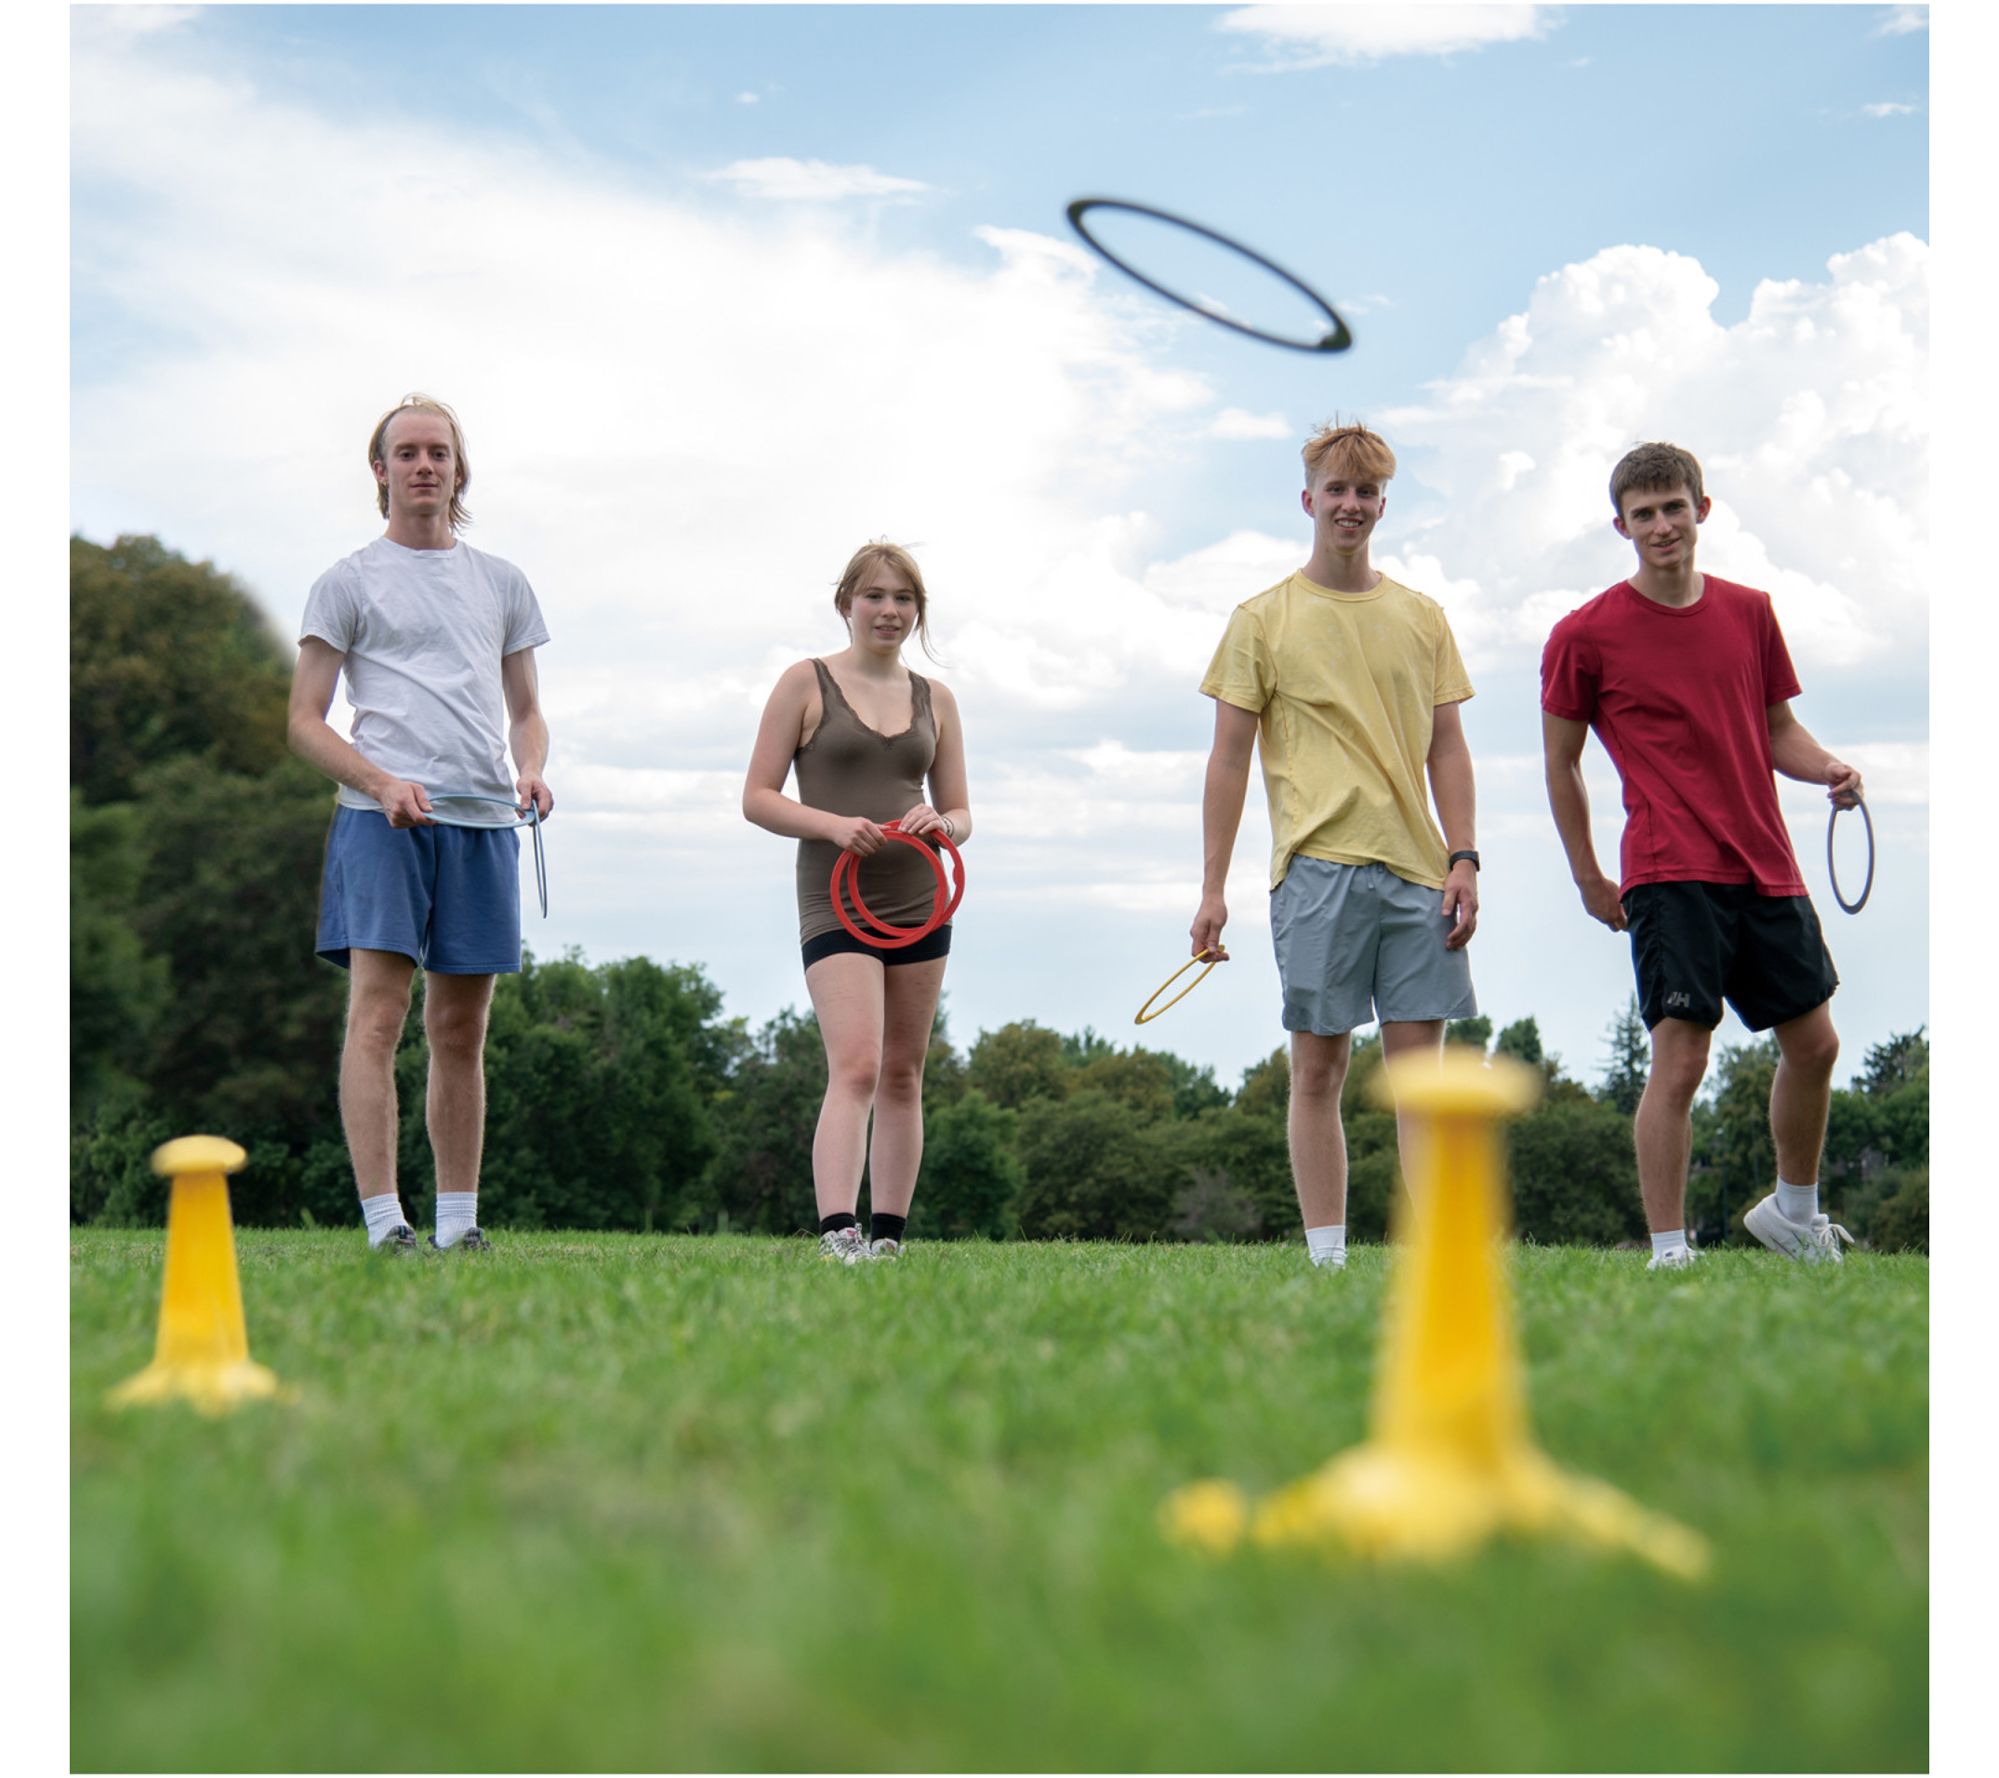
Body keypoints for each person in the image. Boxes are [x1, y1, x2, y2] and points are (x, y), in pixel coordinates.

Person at [1540, 441, 1861, 1270]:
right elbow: (1560, 761)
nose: (1660, 525)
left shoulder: (1749, 611)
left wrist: (1825, 767)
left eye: (1673, 507)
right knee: (1681, 1059)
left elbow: (1776, 730)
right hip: (1666, 867)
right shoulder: (1583, 634)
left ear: (1701, 510)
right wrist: (1586, 875)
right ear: (1620, 526)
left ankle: (1793, 1213)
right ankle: (1670, 1248)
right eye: (1642, 514)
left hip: (1765, 861)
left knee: (1816, 1044)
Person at [1193, 421, 1481, 1270]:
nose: (1349, 505)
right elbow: (1227, 760)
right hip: (1314, 872)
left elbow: (1449, 749)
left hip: (1418, 872)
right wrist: (1212, 890)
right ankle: (1327, 1257)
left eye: (1365, 492)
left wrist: (1463, 857)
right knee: (1316, 1074)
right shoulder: (1260, 619)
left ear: (1382, 504)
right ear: (1307, 498)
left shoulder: (1421, 618)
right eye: (1335, 490)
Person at [287, 394, 553, 1254]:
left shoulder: (502, 582)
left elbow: (526, 712)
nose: (424, 466)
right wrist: (380, 779)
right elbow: (304, 720)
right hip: (382, 821)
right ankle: (383, 1225)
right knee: (378, 1017)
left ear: (459, 468)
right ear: (380, 471)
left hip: (483, 824)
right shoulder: (347, 581)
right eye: (406, 453)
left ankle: (458, 1225)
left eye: (438, 452)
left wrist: (533, 769)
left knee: (461, 1030)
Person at [743, 541, 972, 1263]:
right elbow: (756, 798)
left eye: (903, 599)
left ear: (916, 613)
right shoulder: (804, 683)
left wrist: (945, 825)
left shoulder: (936, 699)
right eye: (874, 596)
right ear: (846, 604)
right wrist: (833, 827)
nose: (889, 611)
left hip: (919, 896)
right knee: (858, 1065)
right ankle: (836, 1230)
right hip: (834, 899)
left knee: (905, 1070)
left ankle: (888, 1239)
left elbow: (961, 811)